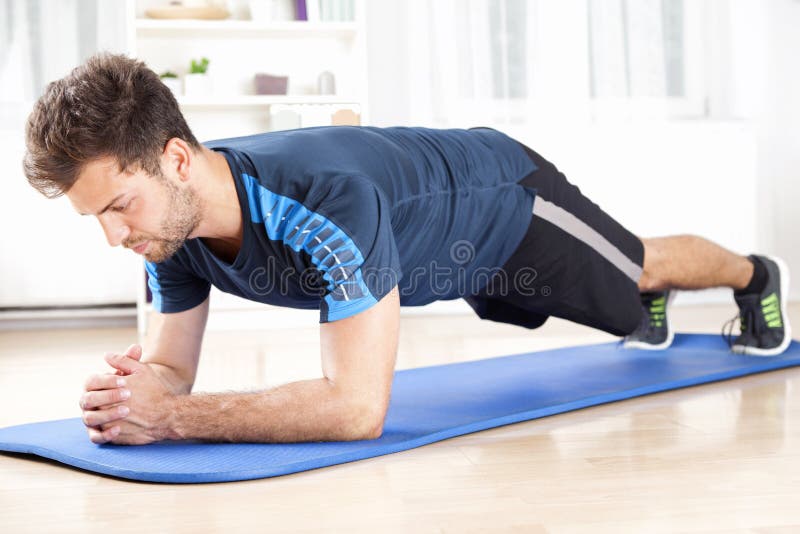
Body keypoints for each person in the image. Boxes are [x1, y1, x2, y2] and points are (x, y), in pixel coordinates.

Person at [23, 54, 792, 445]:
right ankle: (638, 304)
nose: (116, 237)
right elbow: (169, 369)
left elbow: (358, 408)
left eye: (119, 206)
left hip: (503, 204)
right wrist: (136, 395)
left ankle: (755, 274)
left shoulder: (321, 204)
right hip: (440, 258)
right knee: (620, 300)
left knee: (636, 266)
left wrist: (177, 420)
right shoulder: (170, 229)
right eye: (97, 218)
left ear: (177, 159)